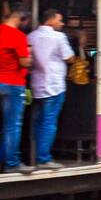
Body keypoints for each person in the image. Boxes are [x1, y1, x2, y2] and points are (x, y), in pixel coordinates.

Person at [27, 9, 76, 170]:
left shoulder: (31, 36)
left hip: (37, 85)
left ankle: (33, 155)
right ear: (50, 20)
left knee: (37, 121)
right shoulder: (58, 37)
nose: (62, 23)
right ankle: (44, 158)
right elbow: (69, 57)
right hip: (55, 86)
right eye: (59, 20)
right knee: (49, 122)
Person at [0, 7, 33, 175]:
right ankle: (12, 163)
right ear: (21, 20)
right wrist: (30, 56)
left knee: (6, 126)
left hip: (0, 83)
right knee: (14, 126)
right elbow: (25, 62)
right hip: (14, 84)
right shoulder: (18, 36)